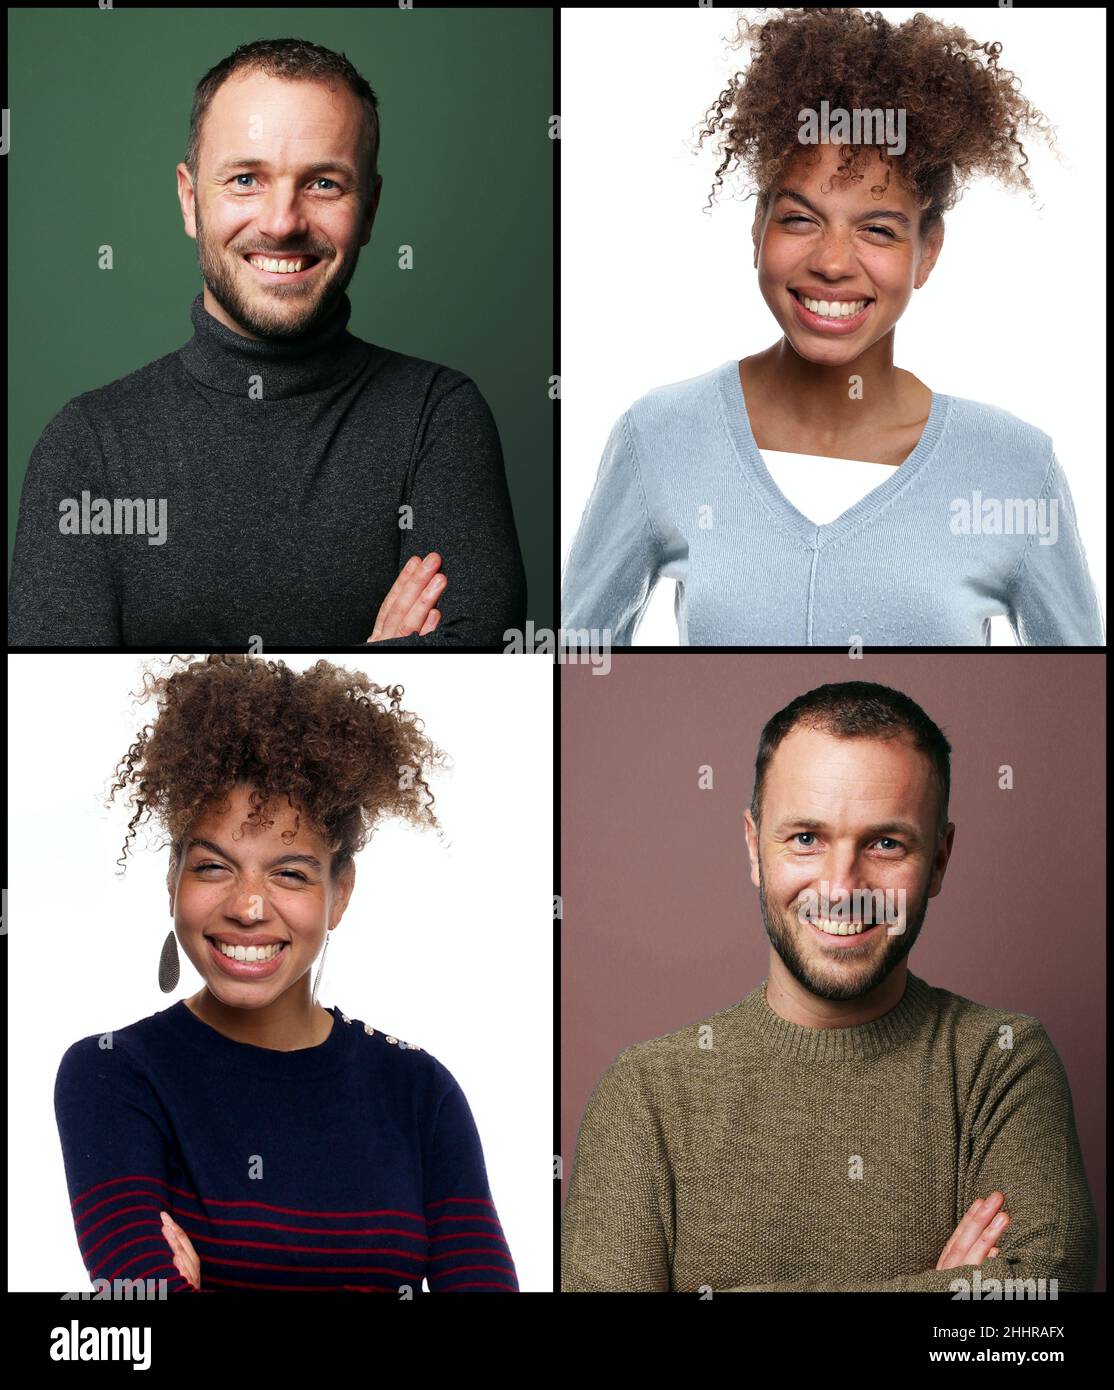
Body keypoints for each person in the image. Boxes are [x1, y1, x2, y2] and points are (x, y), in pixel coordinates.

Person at [561, 9, 1103, 646]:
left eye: (877, 229)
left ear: (927, 252)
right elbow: (578, 665)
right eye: (799, 219)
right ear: (757, 227)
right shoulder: (657, 438)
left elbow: (1079, 705)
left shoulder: (1013, 467)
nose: (833, 262)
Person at [561, 681, 1097, 1291]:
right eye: (806, 840)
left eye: (886, 843)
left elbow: (1039, 1309)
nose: (843, 888)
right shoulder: (644, 1095)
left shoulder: (1002, 1060)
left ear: (940, 860)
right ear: (754, 847)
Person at [10, 38, 526, 647]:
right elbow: (66, 720)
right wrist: (376, 666)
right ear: (189, 198)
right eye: (247, 178)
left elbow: (473, 687)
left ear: (371, 209)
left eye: (325, 184)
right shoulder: (87, 446)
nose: (282, 222)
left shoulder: (439, 417)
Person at [54, 654, 518, 1292]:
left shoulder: (419, 1094)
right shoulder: (112, 1075)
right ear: (172, 878)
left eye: (291, 873)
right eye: (213, 866)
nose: (248, 907)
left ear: (341, 892)